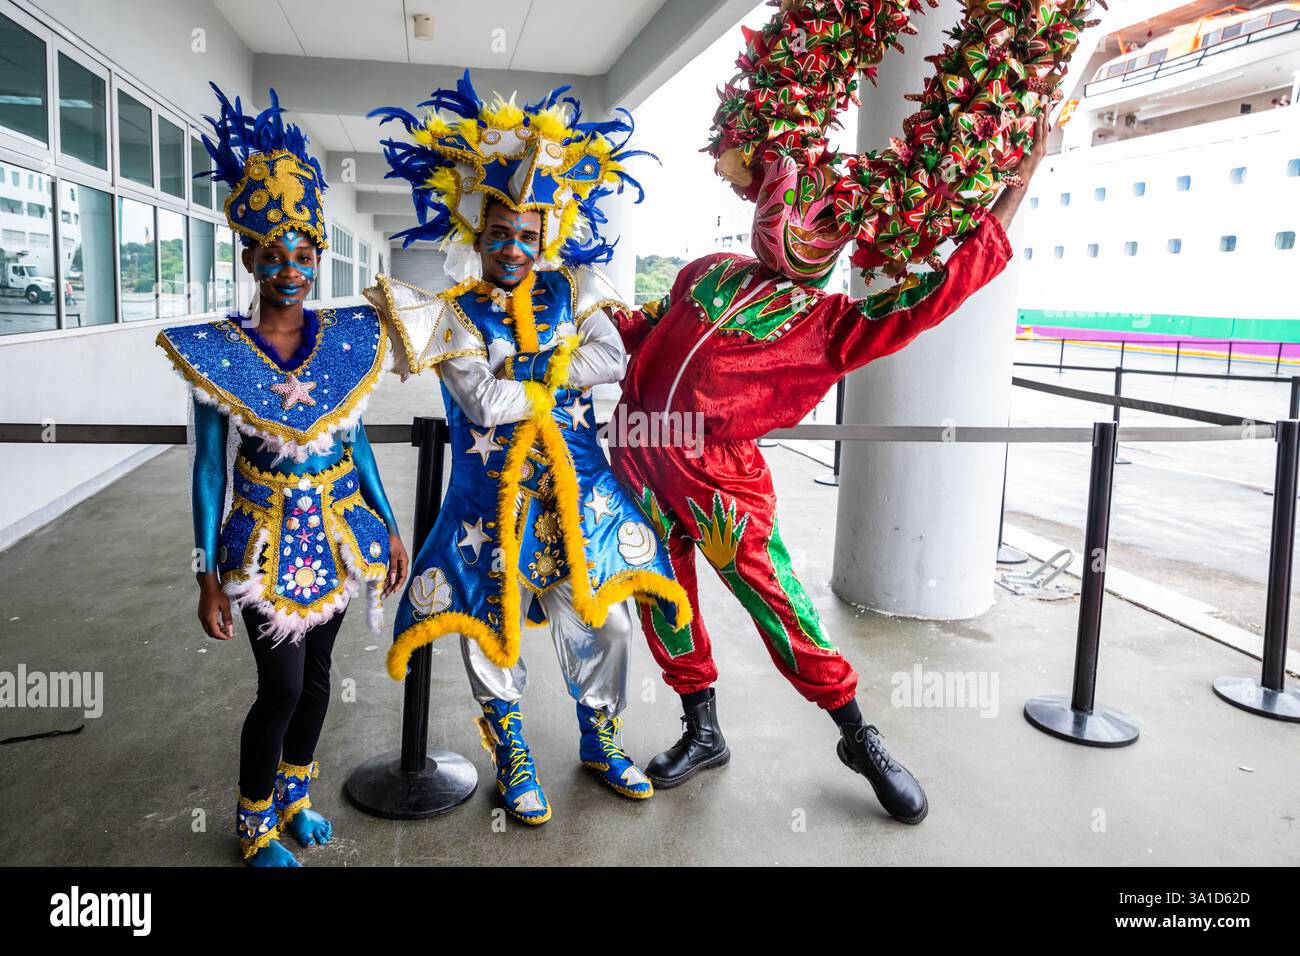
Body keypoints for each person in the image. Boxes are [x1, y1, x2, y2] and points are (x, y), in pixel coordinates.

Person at [609, 0, 1077, 824]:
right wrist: (593, 324)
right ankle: (701, 727)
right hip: (640, 463)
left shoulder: (830, 328)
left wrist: (1008, 203)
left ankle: (857, 735)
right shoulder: (707, 270)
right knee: (662, 599)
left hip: (722, 488)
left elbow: (931, 299)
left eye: (821, 215)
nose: (792, 221)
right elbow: (652, 331)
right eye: (788, 203)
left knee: (780, 607)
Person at [365, 73, 690, 825]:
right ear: (478, 235)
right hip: (491, 503)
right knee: (490, 632)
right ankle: (511, 756)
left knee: (604, 621)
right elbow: (482, 399)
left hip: (579, 495)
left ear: (546, 235)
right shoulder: (447, 312)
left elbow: (612, 360)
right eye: (500, 233)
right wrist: (546, 380)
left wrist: (530, 370)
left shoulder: (575, 287)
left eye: (527, 233)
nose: (514, 247)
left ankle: (601, 741)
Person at [156, 85, 409, 864]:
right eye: (275, 254)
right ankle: (251, 822)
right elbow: (208, 470)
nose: (291, 269)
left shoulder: (344, 341)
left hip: (340, 537)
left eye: (304, 253)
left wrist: (390, 521)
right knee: (283, 687)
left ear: (318, 254)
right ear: (250, 257)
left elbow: (357, 445)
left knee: (323, 676)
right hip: (262, 546)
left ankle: (297, 795)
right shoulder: (216, 353)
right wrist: (204, 575)